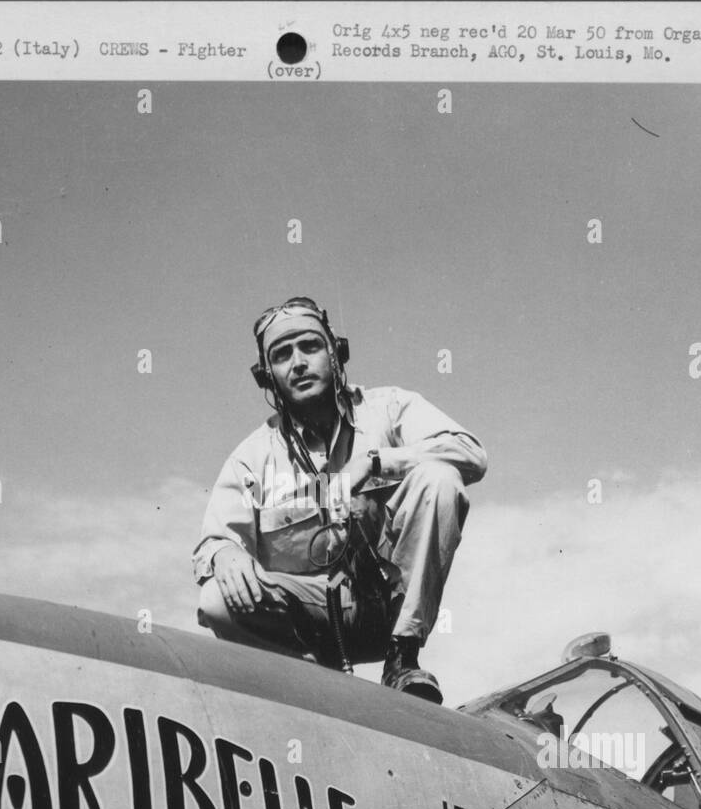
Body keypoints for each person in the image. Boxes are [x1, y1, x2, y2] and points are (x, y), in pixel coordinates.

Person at [193, 296, 487, 703]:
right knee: (215, 598)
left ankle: (403, 659)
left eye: (310, 347)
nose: (298, 362)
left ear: (335, 353)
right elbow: (214, 541)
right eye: (282, 355)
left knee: (440, 477)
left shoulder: (390, 408)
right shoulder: (251, 457)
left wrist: (380, 462)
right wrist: (226, 553)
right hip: (307, 620)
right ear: (267, 376)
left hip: (387, 606)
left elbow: (470, 453)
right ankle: (308, 685)